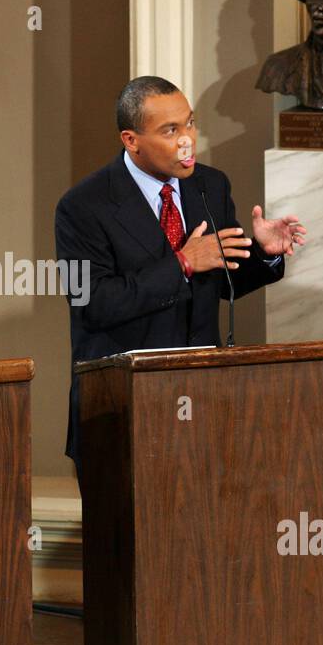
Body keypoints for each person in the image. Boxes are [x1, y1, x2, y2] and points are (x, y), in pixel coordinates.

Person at [54, 76, 306, 469]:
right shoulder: (82, 207)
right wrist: (182, 263)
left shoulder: (210, 185)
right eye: (170, 130)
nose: (187, 139)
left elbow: (225, 278)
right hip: (123, 409)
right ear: (130, 139)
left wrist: (264, 252)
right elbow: (93, 303)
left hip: (203, 402)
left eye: (190, 123)